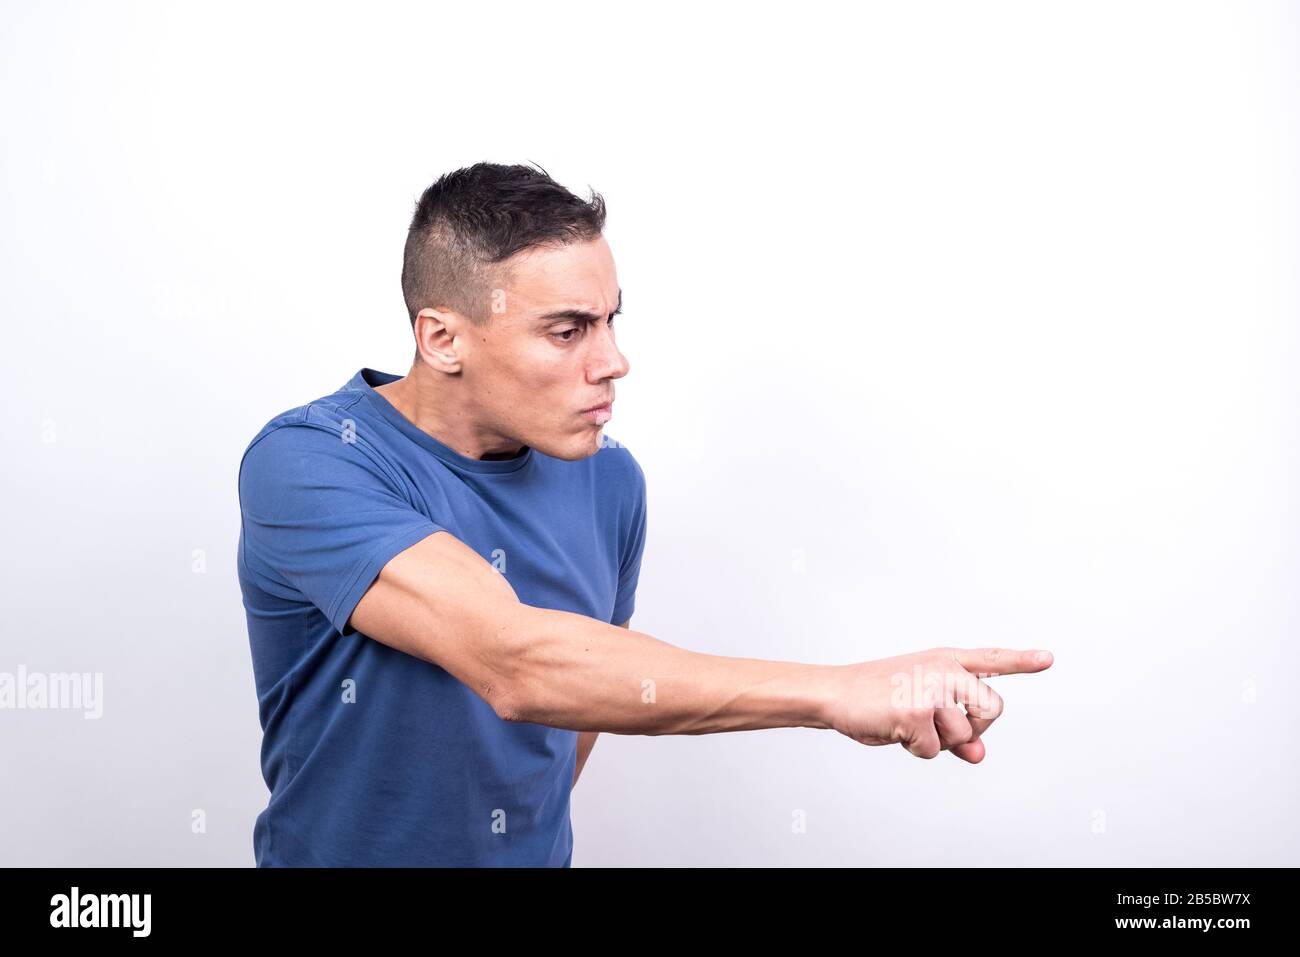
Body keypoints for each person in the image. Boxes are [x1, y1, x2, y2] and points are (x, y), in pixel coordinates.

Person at [236, 162, 1055, 867]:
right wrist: (837, 692)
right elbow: (520, 665)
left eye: (611, 319)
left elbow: (583, 699)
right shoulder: (310, 462)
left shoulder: (609, 479)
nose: (614, 360)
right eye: (568, 330)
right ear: (442, 338)